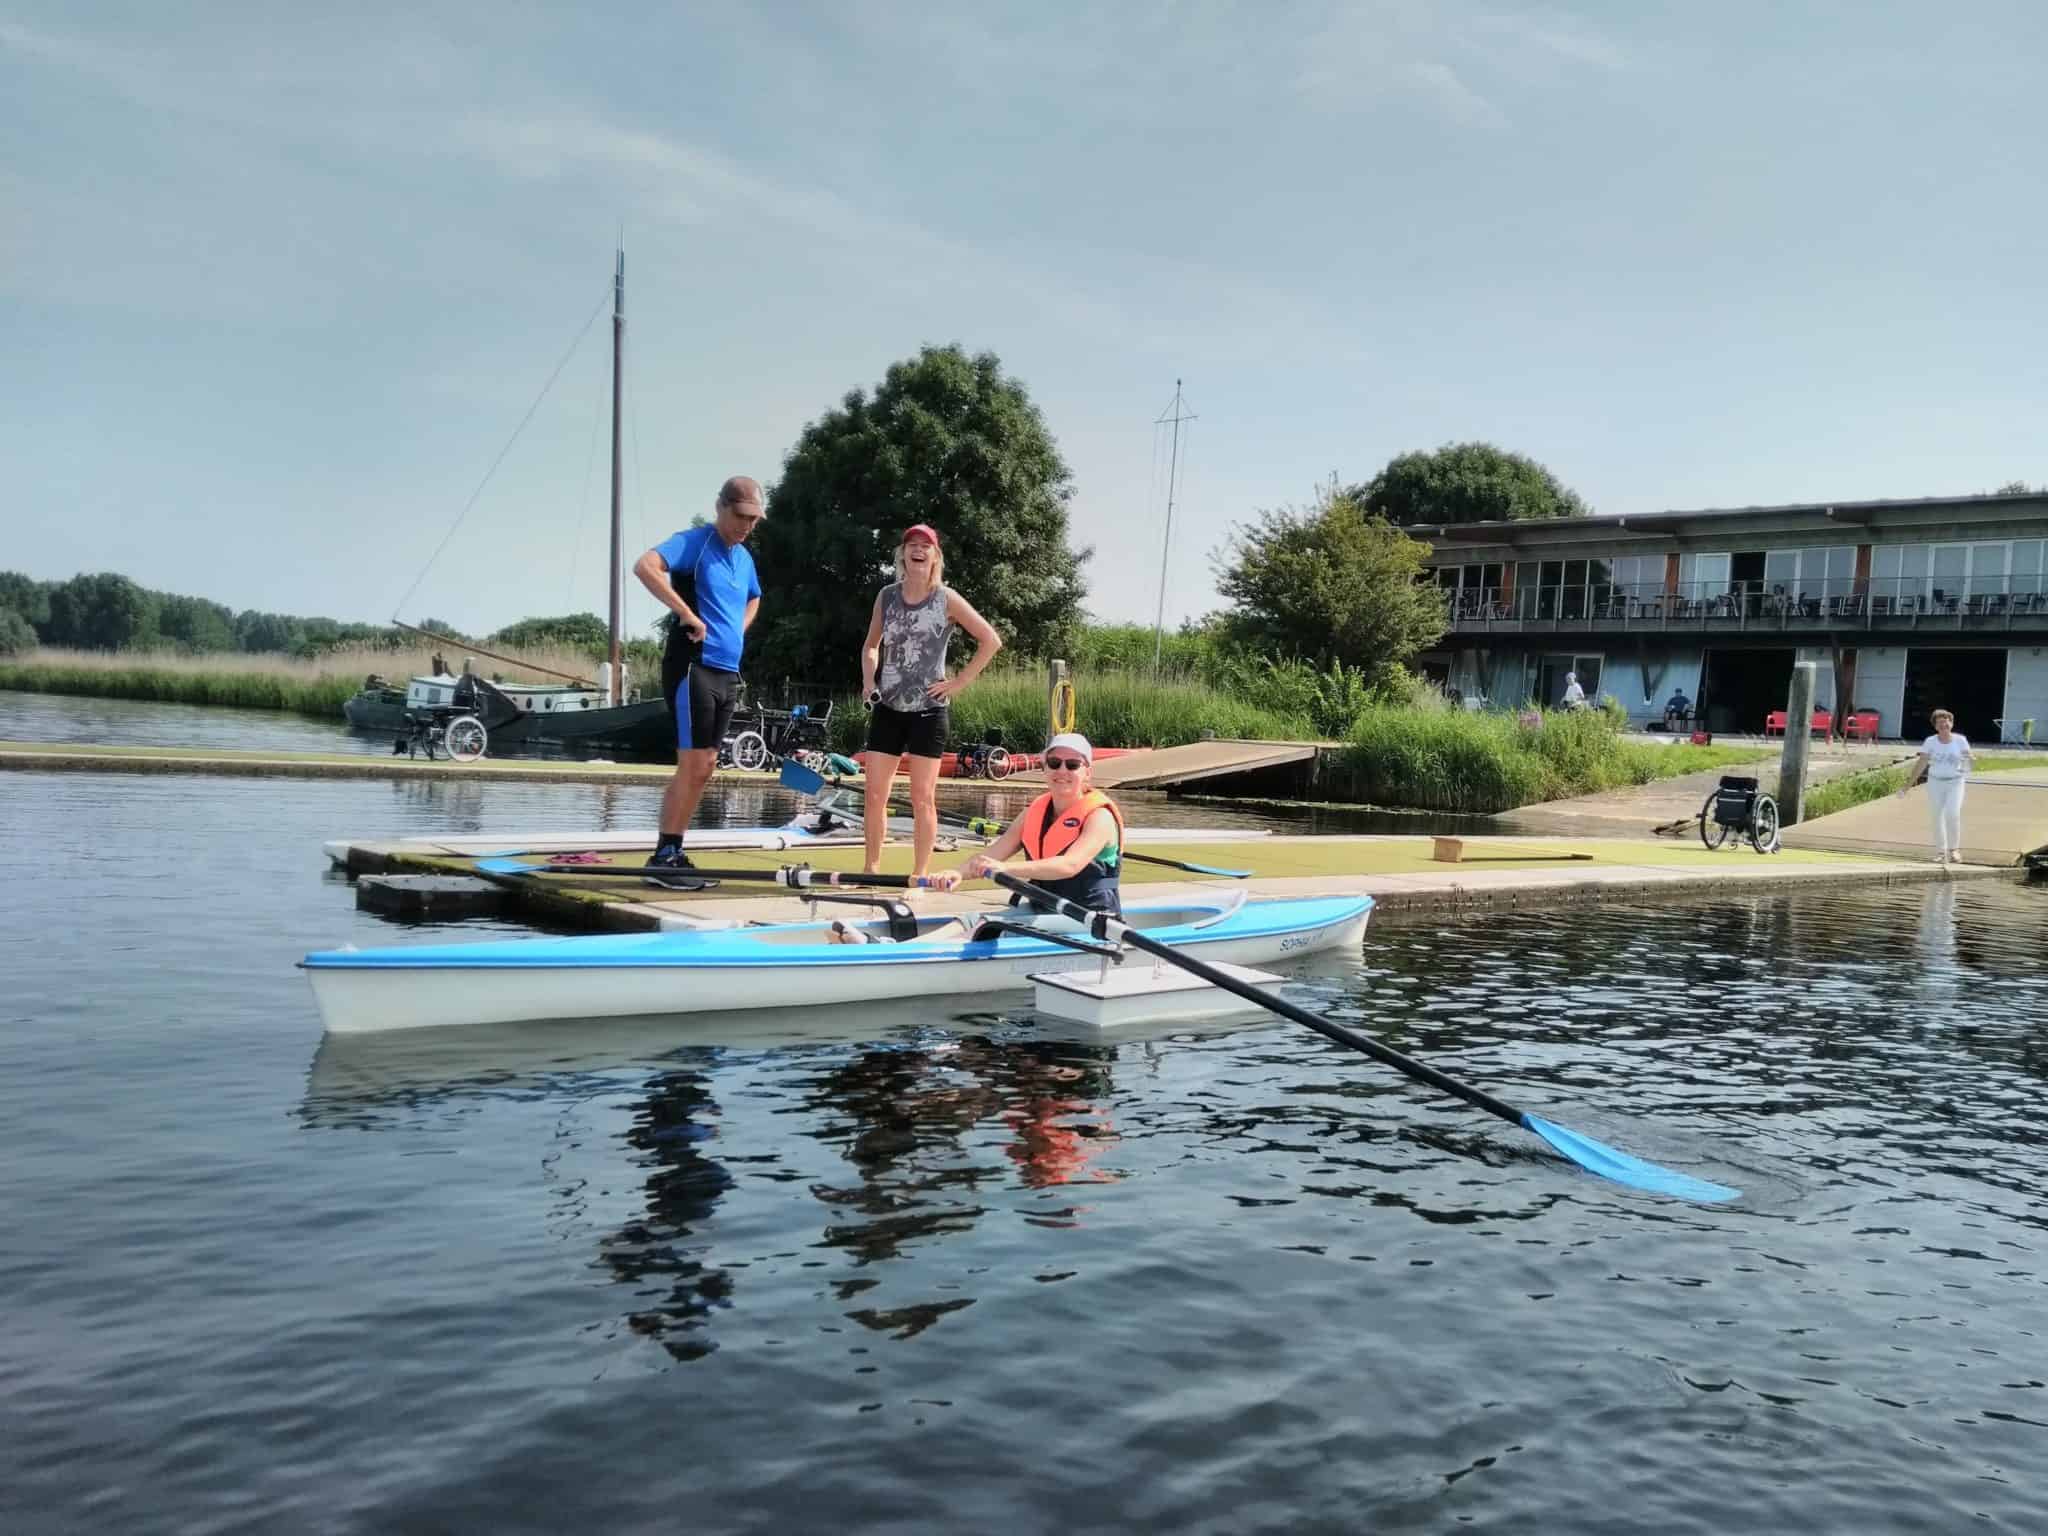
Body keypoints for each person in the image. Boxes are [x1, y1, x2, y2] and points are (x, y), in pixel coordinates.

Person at [633, 476, 766, 870]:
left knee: (706, 765)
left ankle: (674, 848)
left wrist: (737, 629)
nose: (747, 526)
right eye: (741, 516)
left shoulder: (744, 559)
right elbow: (645, 567)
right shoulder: (696, 542)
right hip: (692, 668)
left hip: (727, 673)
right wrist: (686, 613)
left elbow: (755, 596)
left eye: (755, 520)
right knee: (691, 763)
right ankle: (664, 853)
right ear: (721, 507)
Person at [858, 523, 1003, 879]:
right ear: (903, 554)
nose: (918, 550)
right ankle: (870, 871)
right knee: (874, 795)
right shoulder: (886, 596)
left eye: (926, 546)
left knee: (923, 798)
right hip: (888, 707)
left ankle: (920, 875)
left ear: (935, 556)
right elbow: (871, 646)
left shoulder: (945, 598)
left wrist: (959, 682)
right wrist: (867, 681)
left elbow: (991, 640)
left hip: (929, 711)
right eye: (912, 545)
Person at [927, 733, 1124, 915]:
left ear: (1087, 772)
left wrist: (1005, 869)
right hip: (1043, 907)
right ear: (1045, 768)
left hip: (1091, 915)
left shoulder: (1099, 817)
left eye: (1072, 765)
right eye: (1054, 763)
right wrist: (957, 872)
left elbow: (1069, 865)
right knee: (970, 922)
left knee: (983, 927)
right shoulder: (1031, 813)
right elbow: (991, 856)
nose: (1062, 771)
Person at [1900, 707, 1974, 865]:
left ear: (1951, 724)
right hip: (1935, 782)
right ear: (1935, 727)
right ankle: (1941, 851)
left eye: (1946, 723)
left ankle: (1954, 850)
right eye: (1940, 724)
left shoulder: (1960, 740)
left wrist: (1969, 761)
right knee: (1936, 816)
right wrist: (1908, 785)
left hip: (1955, 782)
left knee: (1952, 814)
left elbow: (1968, 760)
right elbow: (1921, 763)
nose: (1943, 726)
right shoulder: (1930, 741)